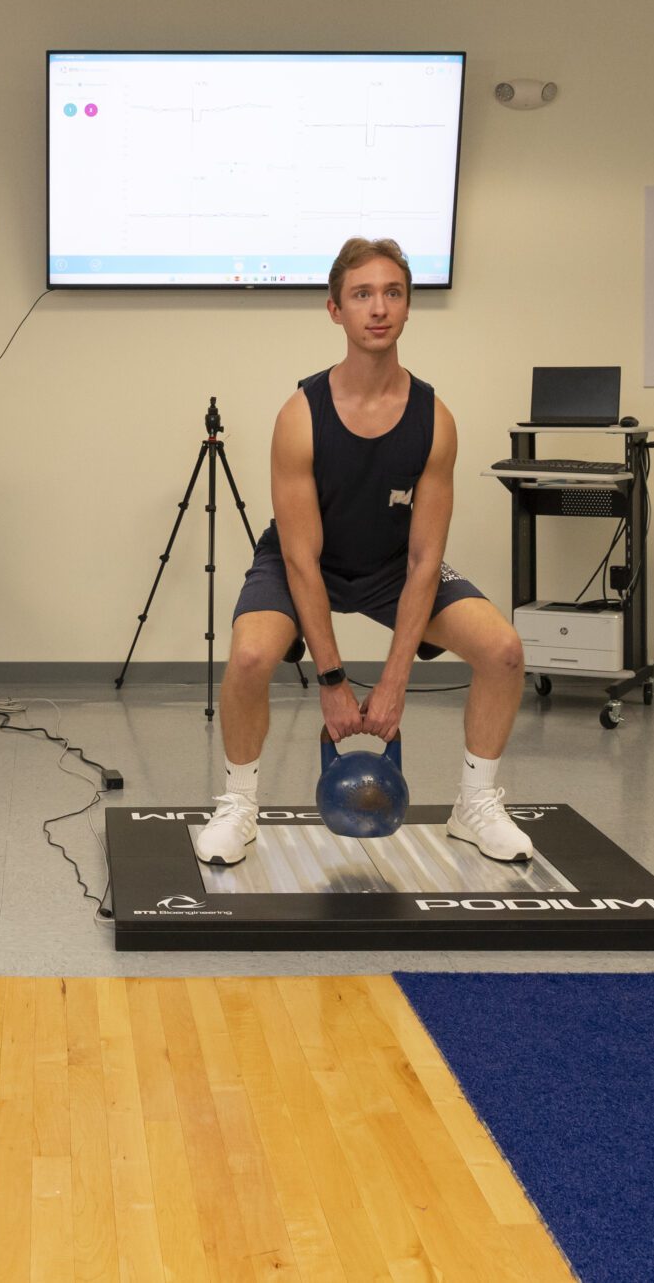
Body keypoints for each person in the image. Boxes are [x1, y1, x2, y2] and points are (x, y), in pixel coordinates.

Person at [193, 237, 532, 867]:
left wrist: (396, 679)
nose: (379, 308)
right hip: (305, 562)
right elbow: (301, 560)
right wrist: (333, 683)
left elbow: (425, 558)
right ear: (335, 310)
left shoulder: (435, 420)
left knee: (504, 650)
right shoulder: (300, 416)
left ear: (407, 307)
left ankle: (475, 805)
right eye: (362, 295)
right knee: (250, 655)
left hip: (391, 566)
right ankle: (239, 804)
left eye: (392, 293)